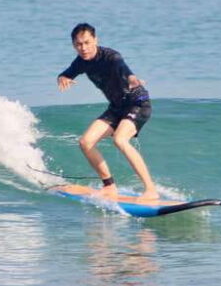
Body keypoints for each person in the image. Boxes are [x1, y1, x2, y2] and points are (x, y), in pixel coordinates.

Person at [57, 23, 159, 200]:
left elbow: (123, 68)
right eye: (78, 44)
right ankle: (109, 186)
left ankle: (151, 190)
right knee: (85, 142)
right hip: (117, 107)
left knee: (120, 139)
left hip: (137, 103)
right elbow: (67, 73)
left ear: (95, 40)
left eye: (87, 42)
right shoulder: (81, 62)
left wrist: (132, 78)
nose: (83, 48)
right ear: (74, 45)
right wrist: (62, 78)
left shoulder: (111, 57)